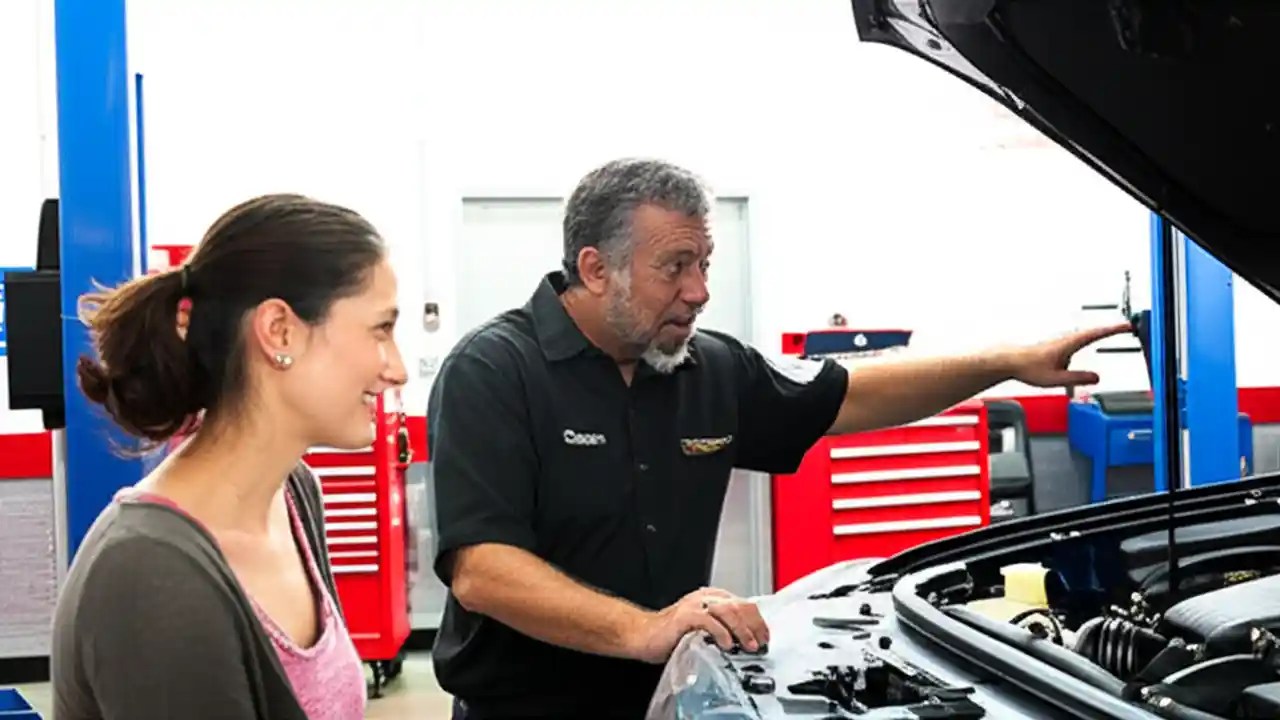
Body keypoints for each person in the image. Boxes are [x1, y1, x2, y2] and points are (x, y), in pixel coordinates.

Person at [427, 157, 1129, 719]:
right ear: (593, 268)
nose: (700, 291)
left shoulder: (709, 369)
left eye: (705, 263)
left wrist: (1004, 363)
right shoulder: (493, 373)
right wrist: (643, 629)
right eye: (675, 266)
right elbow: (484, 571)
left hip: (674, 698)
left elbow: (852, 394)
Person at [50, 194, 408, 720]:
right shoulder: (150, 572)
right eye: (381, 330)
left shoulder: (293, 494)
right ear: (279, 331)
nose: (396, 369)